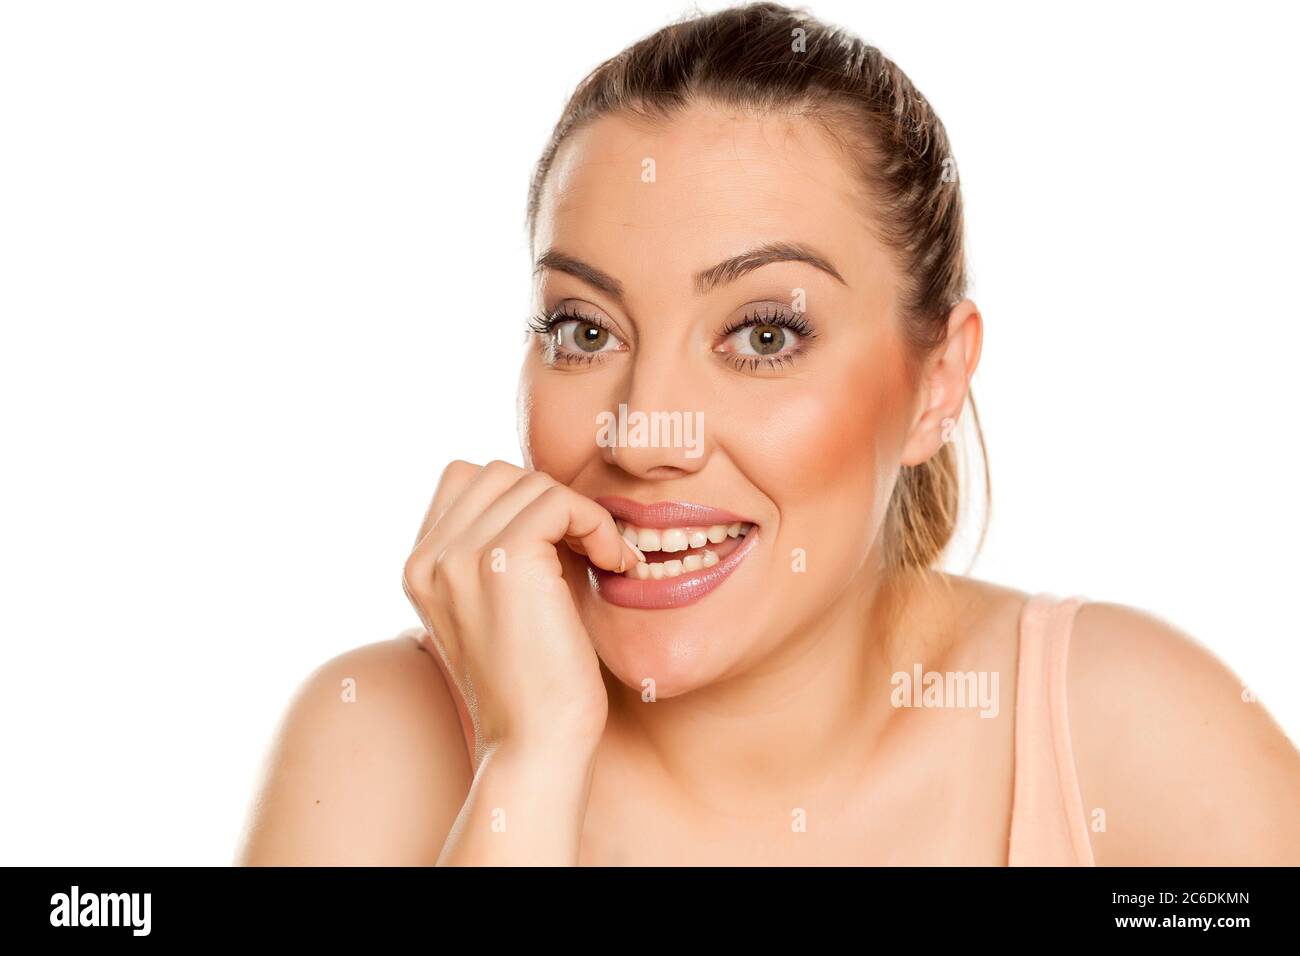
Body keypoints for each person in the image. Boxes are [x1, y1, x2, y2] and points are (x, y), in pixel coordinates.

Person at [236, 2, 1300, 866]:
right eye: (582, 327)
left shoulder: (1141, 737)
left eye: (762, 333)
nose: (646, 431)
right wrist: (528, 762)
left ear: (937, 380)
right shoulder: (376, 742)